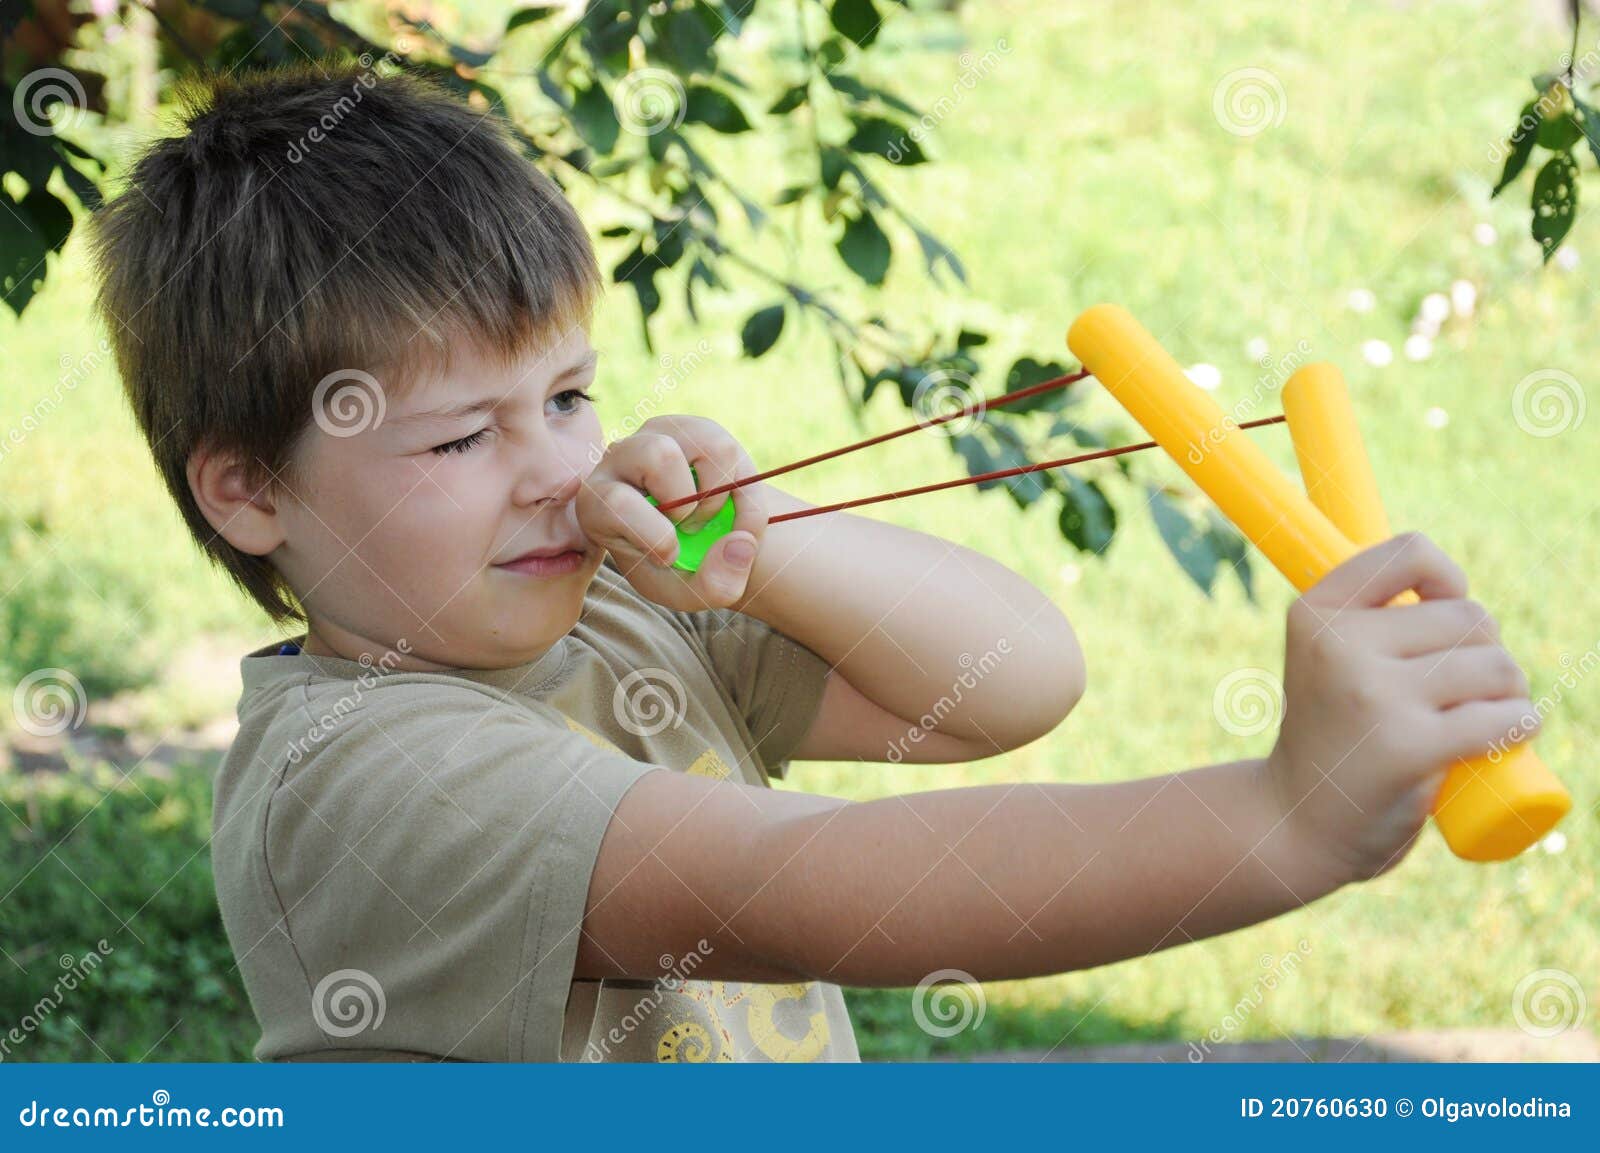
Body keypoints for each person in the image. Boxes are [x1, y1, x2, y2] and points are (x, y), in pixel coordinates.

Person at [87, 64, 1534, 1062]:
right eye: (464, 437)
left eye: (573, 398)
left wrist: (761, 550)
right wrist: (1285, 816)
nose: (558, 468)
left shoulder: (602, 618)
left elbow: (1011, 680)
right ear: (252, 489)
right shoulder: (364, 776)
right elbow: (808, 880)